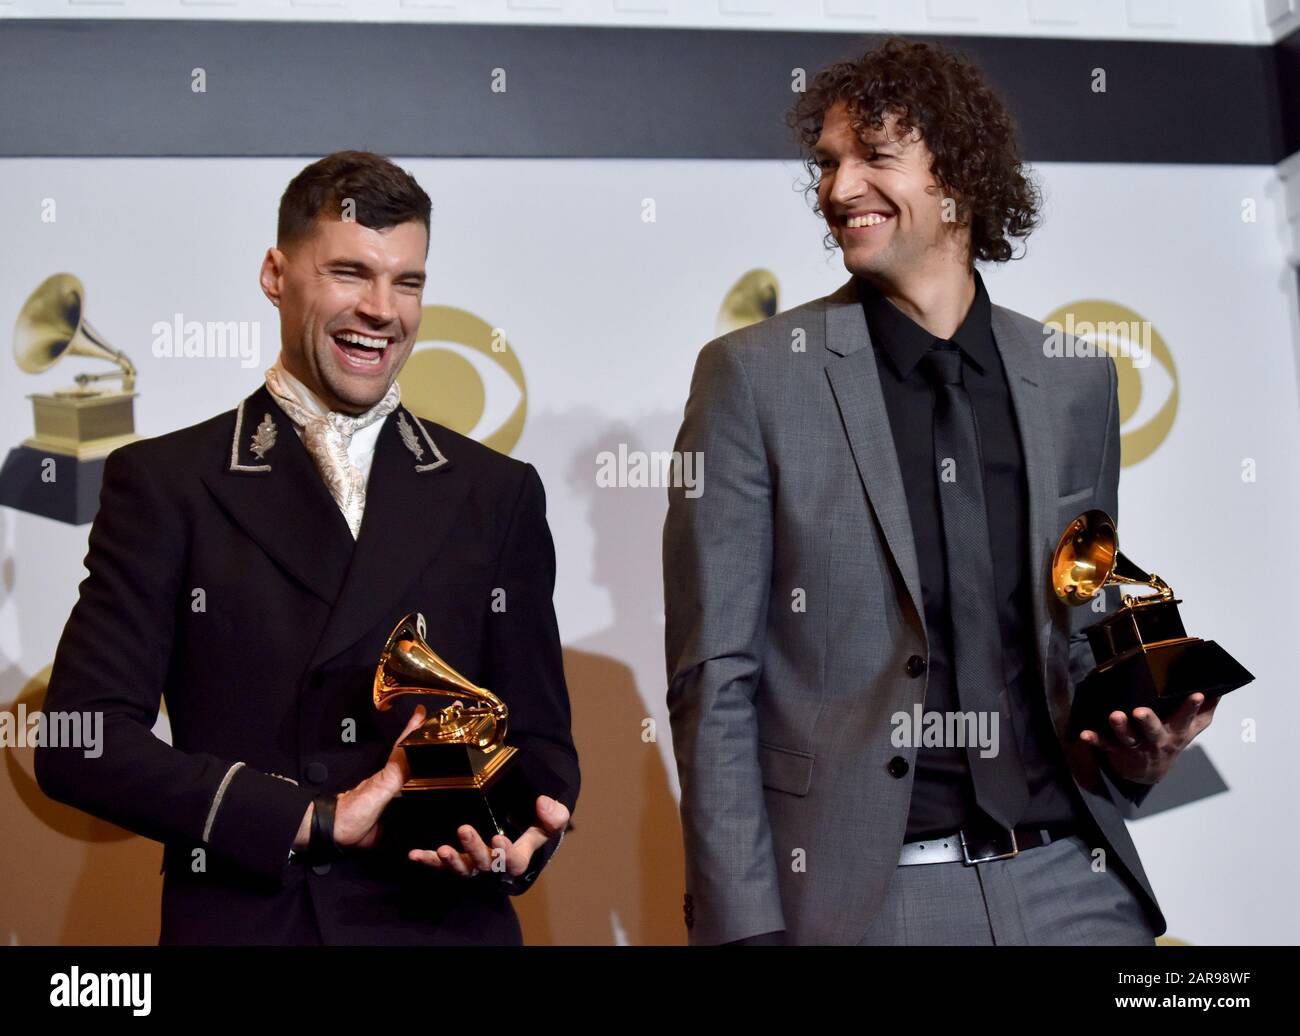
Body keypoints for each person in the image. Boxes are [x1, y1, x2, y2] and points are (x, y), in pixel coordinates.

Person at [663, 37, 1215, 946]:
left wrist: (1138, 749)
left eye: (875, 157)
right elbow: (714, 673)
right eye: (829, 163)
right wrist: (741, 928)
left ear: (959, 175)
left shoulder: (1074, 379)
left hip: (1073, 882)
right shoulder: (756, 379)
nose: (839, 190)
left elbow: (1074, 630)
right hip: (869, 905)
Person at [35, 150, 579, 945]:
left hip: (443, 929)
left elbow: (538, 740)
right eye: (350, 273)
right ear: (275, 274)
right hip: (258, 923)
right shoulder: (166, 483)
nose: (382, 310)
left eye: (409, 282)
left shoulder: (496, 493)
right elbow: (80, 742)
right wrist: (314, 818)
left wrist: (521, 837)